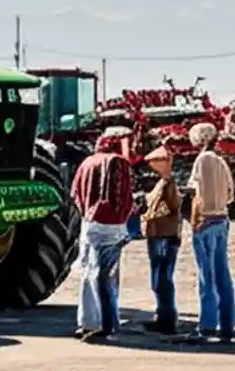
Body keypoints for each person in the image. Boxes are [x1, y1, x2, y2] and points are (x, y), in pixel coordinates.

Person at [69, 126, 136, 343]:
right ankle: (107, 324)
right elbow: (119, 197)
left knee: (89, 274)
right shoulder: (117, 162)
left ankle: (87, 322)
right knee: (106, 276)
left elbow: (75, 194)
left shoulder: (86, 163)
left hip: (89, 223)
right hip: (111, 225)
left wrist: (88, 214)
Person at [184, 121, 235, 343]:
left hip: (204, 222)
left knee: (206, 276)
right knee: (222, 273)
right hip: (222, 220)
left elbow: (195, 190)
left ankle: (207, 326)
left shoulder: (201, 160)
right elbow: (231, 193)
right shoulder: (221, 162)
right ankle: (227, 324)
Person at [139, 145, 182, 335]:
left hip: (163, 235)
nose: (151, 164)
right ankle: (163, 316)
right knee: (160, 278)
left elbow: (173, 208)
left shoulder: (168, 184)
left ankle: (166, 319)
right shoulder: (163, 183)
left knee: (162, 279)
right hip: (158, 234)